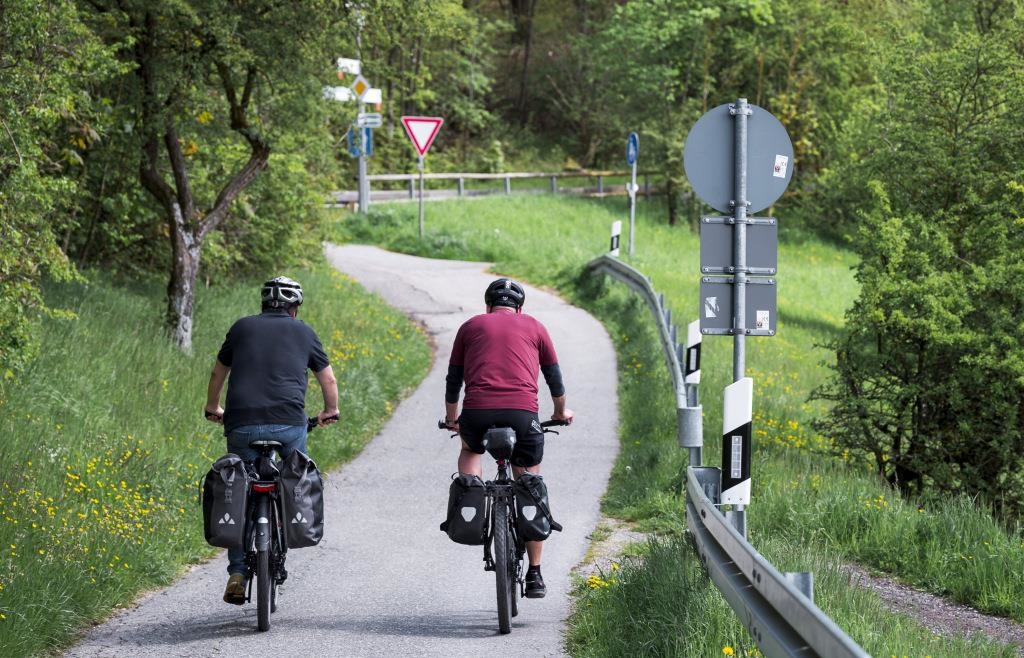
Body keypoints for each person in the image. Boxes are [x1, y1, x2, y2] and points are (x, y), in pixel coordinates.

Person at [204, 275, 339, 604]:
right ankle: (290, 528)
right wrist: (330, 410)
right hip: (289, 426)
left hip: (242, 425)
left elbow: (218, 373)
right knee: (296, 475)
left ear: (263, 305)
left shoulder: (241, 328)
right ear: (294, 309)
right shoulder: (304, 332)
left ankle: (237, 571)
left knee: (239, 487)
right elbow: (328, 379)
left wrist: (213, 407)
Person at [443, 277, 574, 599]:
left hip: (477, 413)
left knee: (470, 450)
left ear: (488, 305)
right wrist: (561, 412)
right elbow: (554, 378)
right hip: (523, 415)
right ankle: (535, 573)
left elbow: (454, 378)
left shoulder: (470, 326)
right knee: (530, 485)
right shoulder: (535, 326)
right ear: (520, 308)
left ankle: (473, 490)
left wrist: (452, 418)